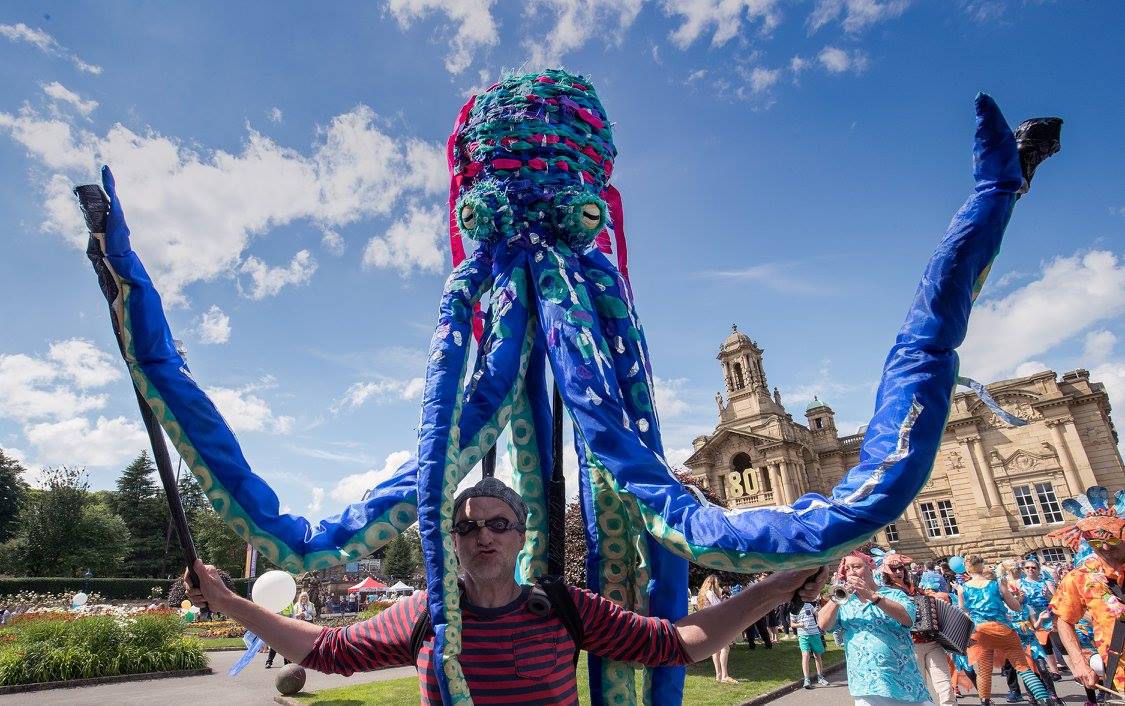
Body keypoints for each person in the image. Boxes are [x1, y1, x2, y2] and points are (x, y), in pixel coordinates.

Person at [186, 476, 827, 704]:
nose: (482, 535)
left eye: (498, 524)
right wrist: (228, 601)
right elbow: (326, 650)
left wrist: (775, 587)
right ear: (455, 542)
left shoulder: (563, 606)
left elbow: (677, 642)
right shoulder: (427, 613)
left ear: (521, 537)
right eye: (468, 527)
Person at [819, 551, 933, 706]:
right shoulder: (845, 602)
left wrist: (873, 596)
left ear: (870, 567)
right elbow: (823, 624)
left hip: (904, 681)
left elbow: (908, 619)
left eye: (857, 566)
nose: (851, 572)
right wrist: (837, 598)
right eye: (847, 569)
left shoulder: (894, 594)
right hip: (866, 685)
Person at [1048, 486, 1125, 697]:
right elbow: (1064, 621)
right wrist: (1079, 662)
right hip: (1120, 679)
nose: (1105, 548)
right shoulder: (1080, 577)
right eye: (1095, 541)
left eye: (1111, 540)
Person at [956, 554, 1057, 706]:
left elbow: (963, 609)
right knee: (1023, 667)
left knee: (984, 671)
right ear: (983, 566)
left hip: (981, 632)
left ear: (967, 570)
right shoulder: (997, 584)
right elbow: (1015, 607)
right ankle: (1045, 699)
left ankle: (985, 702)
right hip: (1003, 629)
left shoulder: (962, 588)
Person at [884, 555, 956, 706]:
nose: (898, 571)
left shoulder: (914, 588)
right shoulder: (886, 593)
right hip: (909, 645)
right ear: (886, 572)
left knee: (945, 685)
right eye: (893, 569)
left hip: (932, 641)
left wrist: (940, 596)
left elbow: (931, 599)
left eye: (900, 568)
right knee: (920, 689)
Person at [1018, 559, 1063, 680]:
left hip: (1048, 615)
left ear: (1038, 569)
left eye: (1033, 567)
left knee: (1060, 644)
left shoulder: (1046, 582)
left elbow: (1055, 600)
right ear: (1023, 570)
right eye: (1027, 568)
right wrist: (1020, 598)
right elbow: (1019, 603)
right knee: (1044, 645)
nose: (1030, 570)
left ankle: (1073, 669)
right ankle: (1054, 671)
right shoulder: (1020, 583)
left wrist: (1047, 594)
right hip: (1033, 617)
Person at [698, 575, 738, 684]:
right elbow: (718, 606)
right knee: (725, 648)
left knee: (715, 650)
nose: (718, 585)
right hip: (715, 623)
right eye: (717, 583)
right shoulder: (710, 593)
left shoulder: (703, 593)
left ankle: (718, 675)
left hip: (708, 623)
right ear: (713, 583)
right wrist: (724, 600)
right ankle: (724, 675)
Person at [795, 599, 830, 689]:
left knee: (817, 656)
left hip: (814, 633)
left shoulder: (809, 605)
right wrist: (800, 625)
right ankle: (806, 680)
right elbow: (792, 623)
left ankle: (820, 677)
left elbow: (817, 614)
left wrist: (819, 624)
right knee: (805, 655)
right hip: (803, 635)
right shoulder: (793, 608)